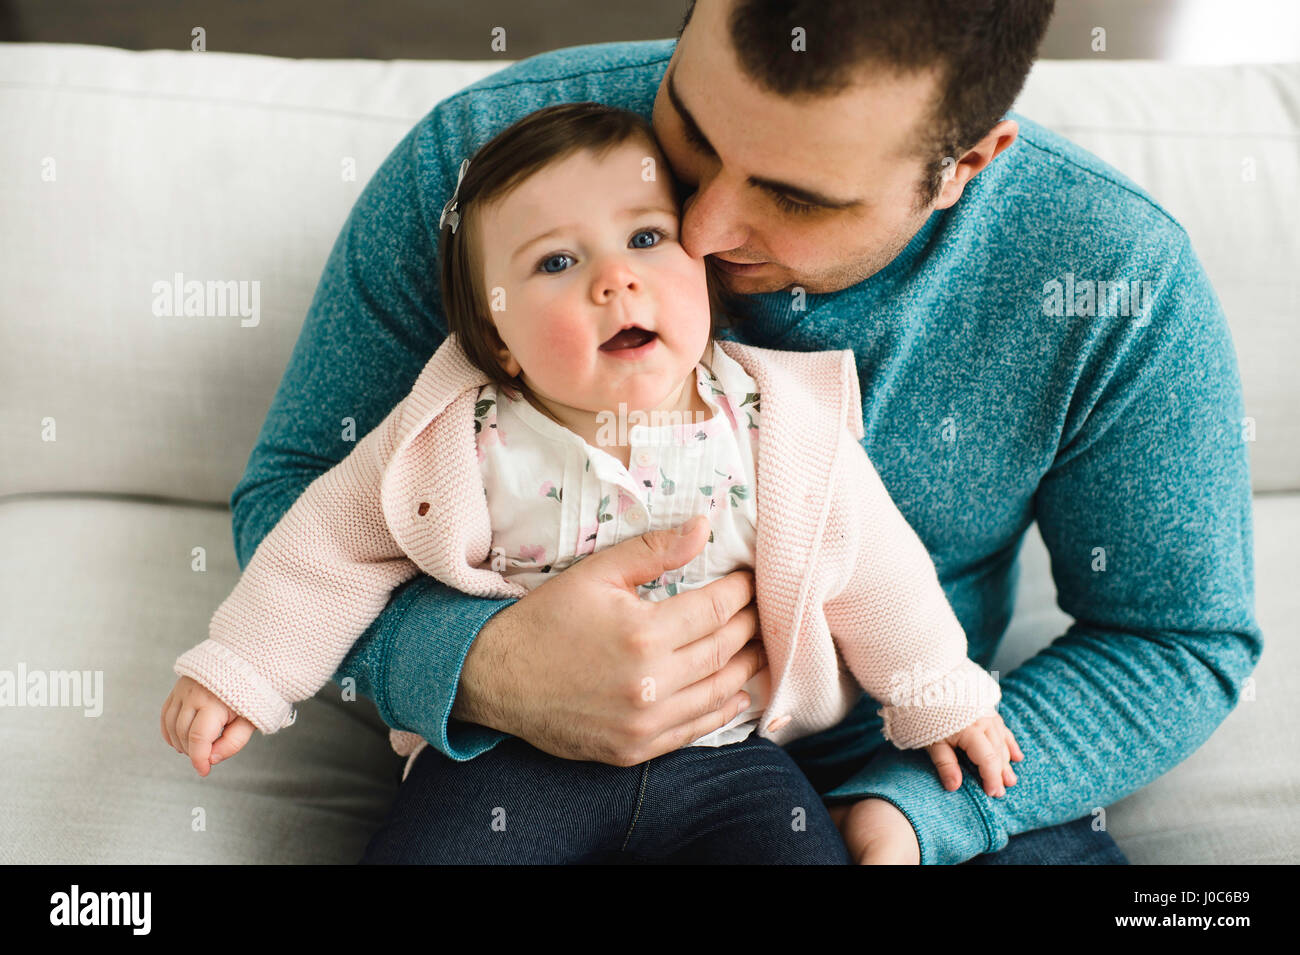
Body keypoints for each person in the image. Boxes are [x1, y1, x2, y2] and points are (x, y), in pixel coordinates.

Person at [223, 0, 1263, 864]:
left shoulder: (1112, 276)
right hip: (504, 770)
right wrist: (478, 664)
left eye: (793, 198)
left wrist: (919, 811)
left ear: (965, 165)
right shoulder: (483, 169)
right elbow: (303, 504)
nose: (704, 231)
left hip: (889, 766)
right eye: (690, 130)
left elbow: (1175, 638)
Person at [160, 101, 1023, 864]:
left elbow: (875, 565)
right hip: (510, 756)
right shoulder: (459, 433)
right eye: (555, 264)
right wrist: (243, 667)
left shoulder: (774, 424)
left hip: (727, 758)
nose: (616, 278)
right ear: (500, 340)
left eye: (647, 238)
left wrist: (937, 692)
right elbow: (330, 542)